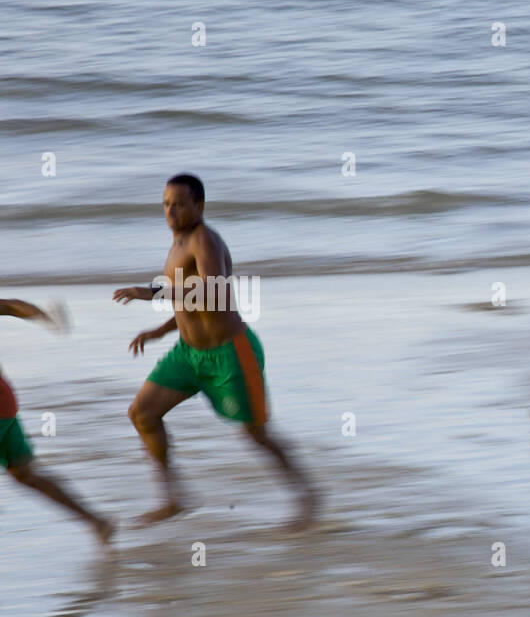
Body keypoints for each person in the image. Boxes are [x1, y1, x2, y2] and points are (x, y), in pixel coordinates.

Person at [113, 173, 318, 526]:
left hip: (230, 354)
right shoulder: (176, 245)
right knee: (142, 413)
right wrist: (161, 331)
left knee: (256, 433)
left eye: (179, 204)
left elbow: (213, 293)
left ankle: (307, 495)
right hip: (188, 355)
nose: (170, 211)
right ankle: (175, 497)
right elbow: (191, 304)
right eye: (166, 203)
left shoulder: (204, 240)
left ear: (199, 206)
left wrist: (151, 292)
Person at [0, 298, 114, 543]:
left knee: (25, 474)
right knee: (25, 474)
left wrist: (42, 315)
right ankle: (97, 522)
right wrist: (42, 315)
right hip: (5, 402)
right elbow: (8, 306)